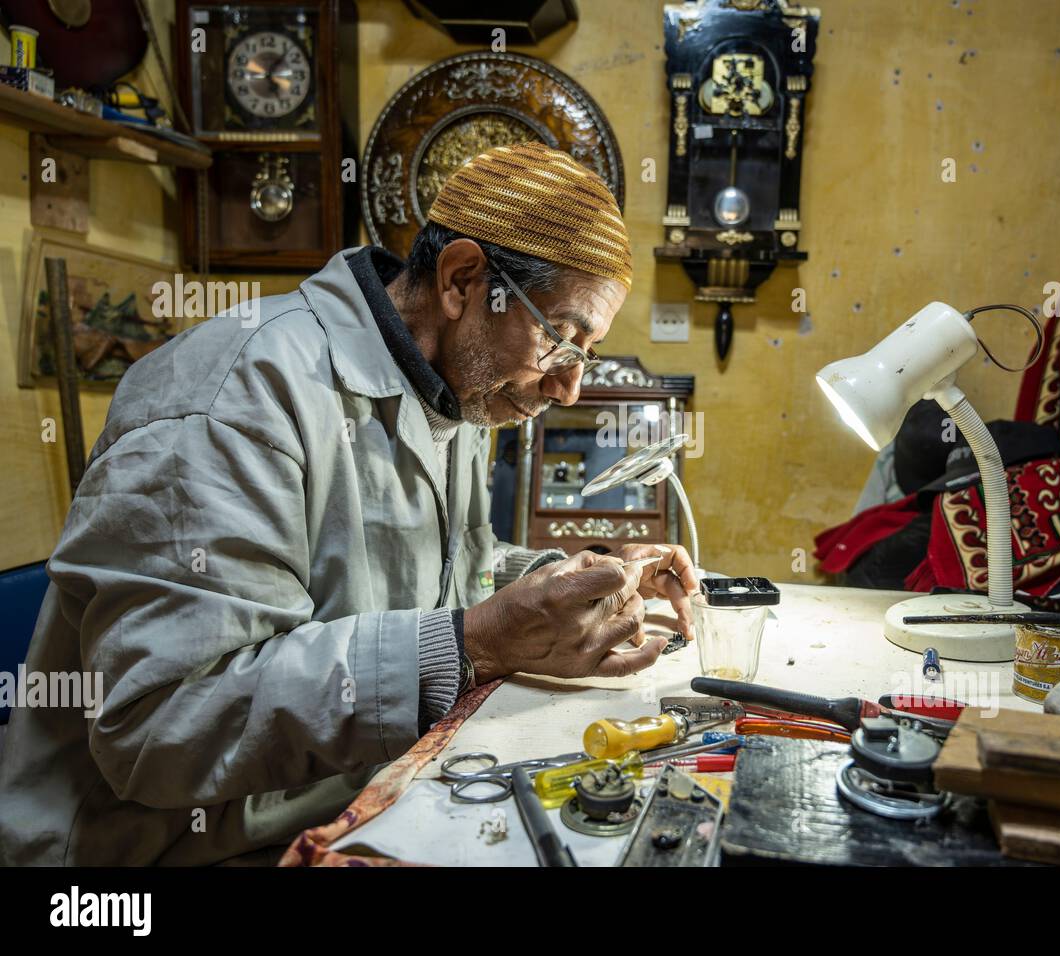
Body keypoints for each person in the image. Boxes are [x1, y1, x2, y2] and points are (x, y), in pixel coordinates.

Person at [0, 141, 698, 865]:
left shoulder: (453, 392)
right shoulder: (232, 398)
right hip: (159, 856)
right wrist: (472, 643)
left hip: (348, 802)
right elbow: (161, 724)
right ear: (463, 280)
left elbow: (458, 573)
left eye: (586, 356)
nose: (568, 389)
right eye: (562, 340)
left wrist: (578, 574)